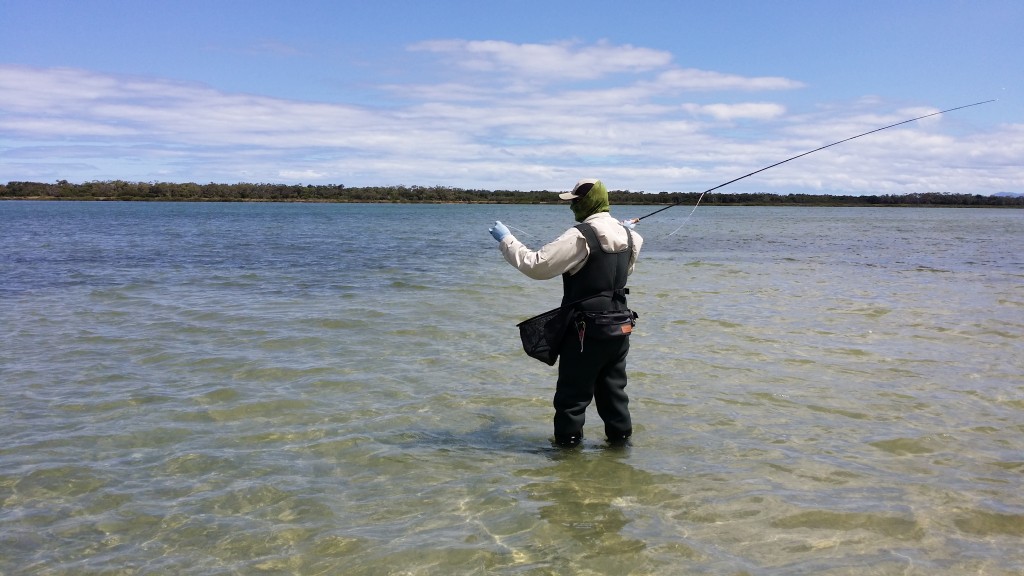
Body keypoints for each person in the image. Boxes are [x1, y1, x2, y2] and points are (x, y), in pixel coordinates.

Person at [489, 179, 643, 447]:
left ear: (586, 202)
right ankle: (620, 450)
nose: (571, 207)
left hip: (585, 330)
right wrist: (623, 230)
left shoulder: (580, 235)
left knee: (571, 398)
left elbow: (536, 266)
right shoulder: (632, 236)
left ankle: (566, 454)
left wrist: (507, 241)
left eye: (575, 201)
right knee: (614, 393)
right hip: (620, 327)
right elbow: (623, 272)